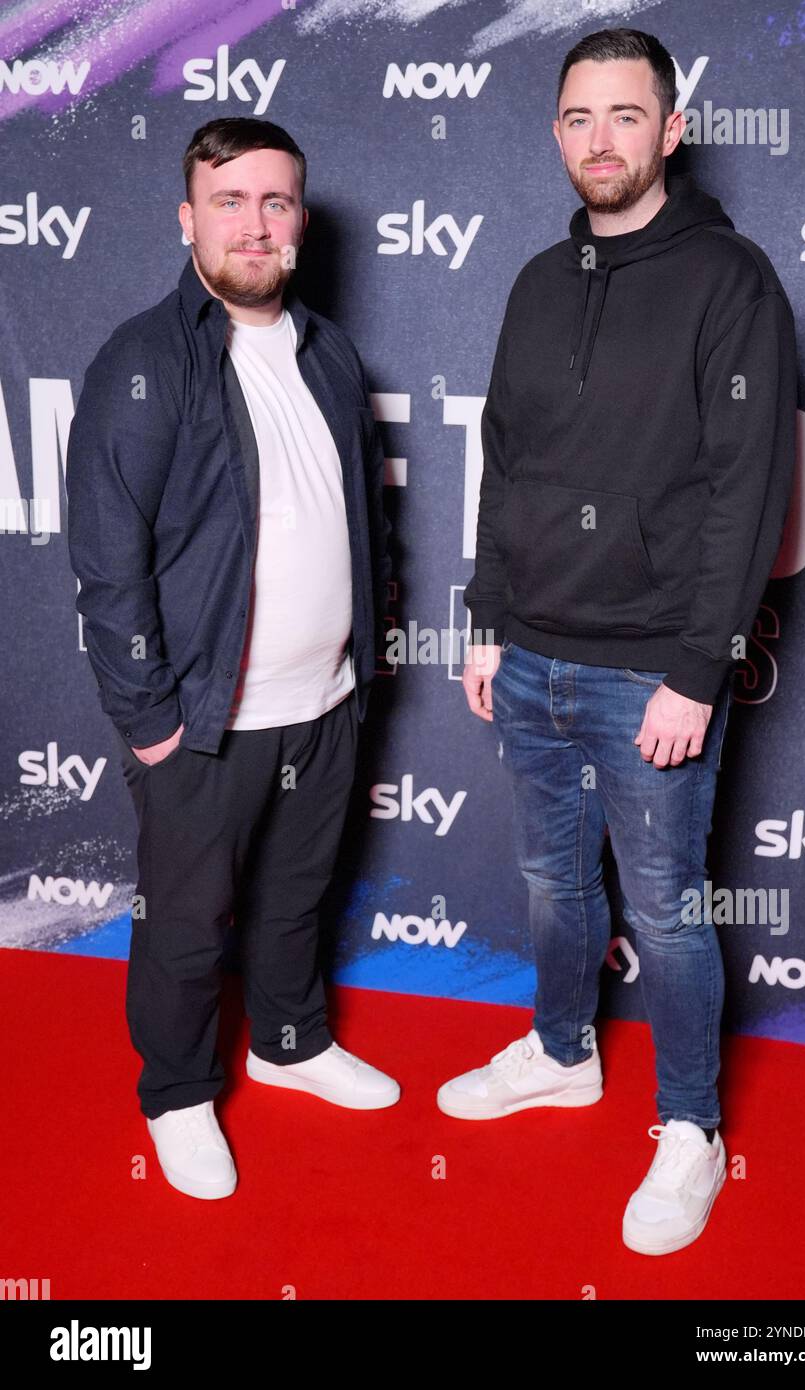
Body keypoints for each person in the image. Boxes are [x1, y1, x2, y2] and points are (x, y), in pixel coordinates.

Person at [448, 28, 797, 1255]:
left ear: (670, 128)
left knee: (661, 913)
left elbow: (744, 486)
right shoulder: (538, 282)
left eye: (624, 115)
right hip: (529, 652)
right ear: (556, 135)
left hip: (650, 665)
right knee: (553, 883)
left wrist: (695, 668)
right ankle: (558, 1052)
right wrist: (487, 617)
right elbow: (504, 462)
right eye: (578, 118)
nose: (600, 140)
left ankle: (692, 1127)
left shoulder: (729, 280)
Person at [65, 117, 396, 1202]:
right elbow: (110, 566)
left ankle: (290, 1041)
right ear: (186, 217)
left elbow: (358, 522)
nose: (254, 224)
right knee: (185, 924)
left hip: (325, 702)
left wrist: (365, 662)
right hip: (205, 718)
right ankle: (177, 1091)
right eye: (228, 201)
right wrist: (151, 719)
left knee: (296, 899)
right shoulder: (142, 361)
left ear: (298, 218)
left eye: (274, 202)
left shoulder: (329, 350)